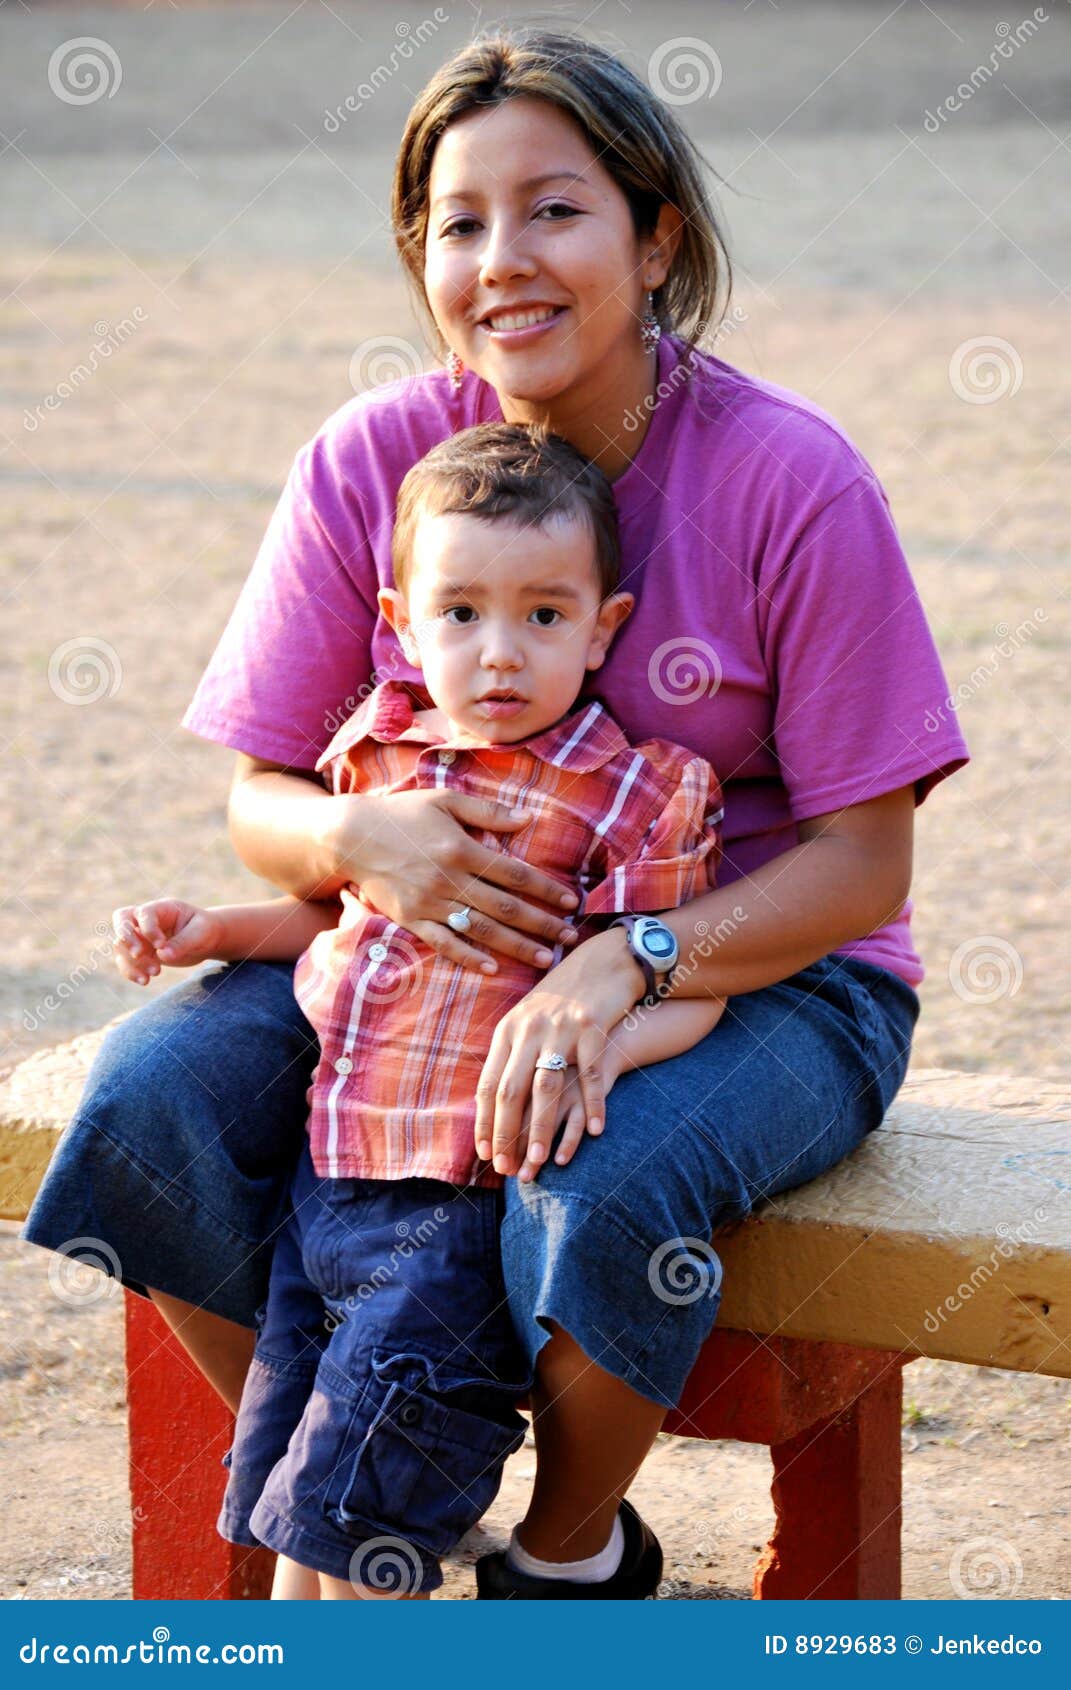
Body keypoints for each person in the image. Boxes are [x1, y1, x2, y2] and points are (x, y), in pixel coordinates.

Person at [23, 26, 969, 1601]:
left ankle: (568, 1560)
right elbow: (259, 794)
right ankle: (381, 1464)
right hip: (407, 944)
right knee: (146, 1112)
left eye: (555, 210)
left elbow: (863, 861)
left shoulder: (792, 479)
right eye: (458, 224)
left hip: (770, 969)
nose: (500, 260)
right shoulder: (375, 461)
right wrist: (350, 841)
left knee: (595, 1184)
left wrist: (630, 959)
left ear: (655, 235)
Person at [109, 422, 727, 1598]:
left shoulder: (635, 794)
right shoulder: (378, 764)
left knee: (357, 1512)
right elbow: (340, 923)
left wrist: (604, 1044)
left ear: (604, 627)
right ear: (398, 623)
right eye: (461, 615)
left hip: (458, 1200)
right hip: (328, 1178)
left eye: (545, 616)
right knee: (310, 1489)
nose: (500, 653)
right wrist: (217, 929)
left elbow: (681, 981)